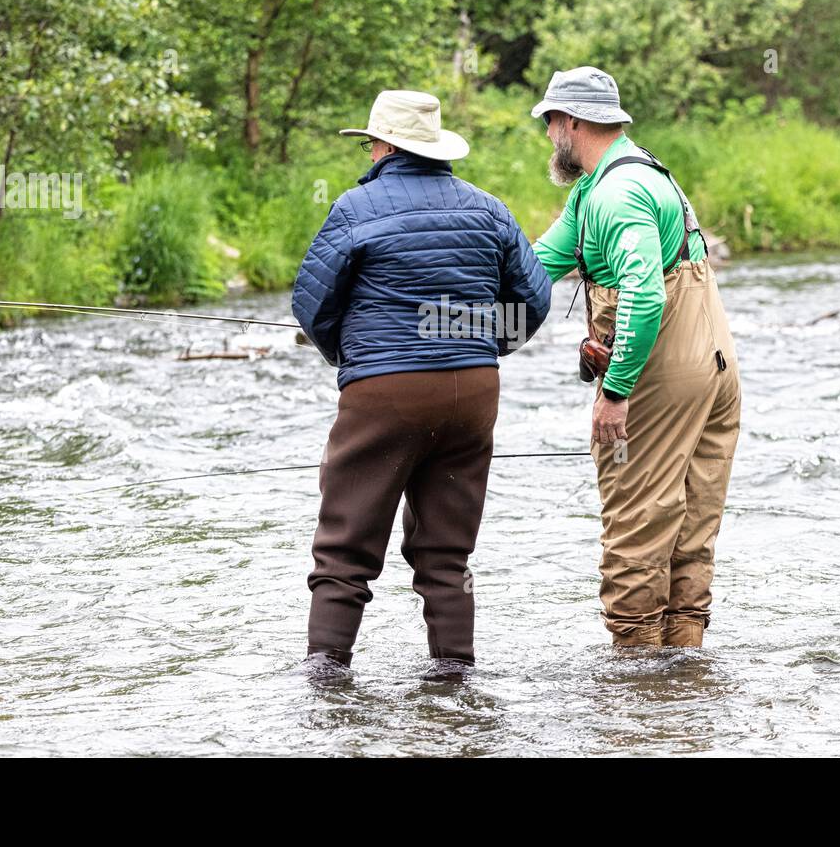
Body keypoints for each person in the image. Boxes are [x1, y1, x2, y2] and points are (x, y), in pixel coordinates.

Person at [292, 89, 552, 680]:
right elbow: (533, 300)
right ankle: (454, 677)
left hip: (384, 393)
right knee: (447, 551)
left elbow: (311, 306)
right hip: (474, 394)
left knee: (345, 546)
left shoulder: (355, 208)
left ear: (381, 145)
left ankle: (325, 685)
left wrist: (353, 359)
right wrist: (482, 347)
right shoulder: (489, 208)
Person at [530, 66, 742, 649]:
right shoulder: (628, 173)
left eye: (550, 123)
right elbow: (530, 270)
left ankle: (632, 701)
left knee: (634, 527)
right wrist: (445, 309)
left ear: (571, 122)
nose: (549, 136)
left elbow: (645, 295)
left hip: (663, 378)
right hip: (715, 371)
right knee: (689, 529)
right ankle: (681, 688)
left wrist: (616, 392)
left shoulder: (616, 194)